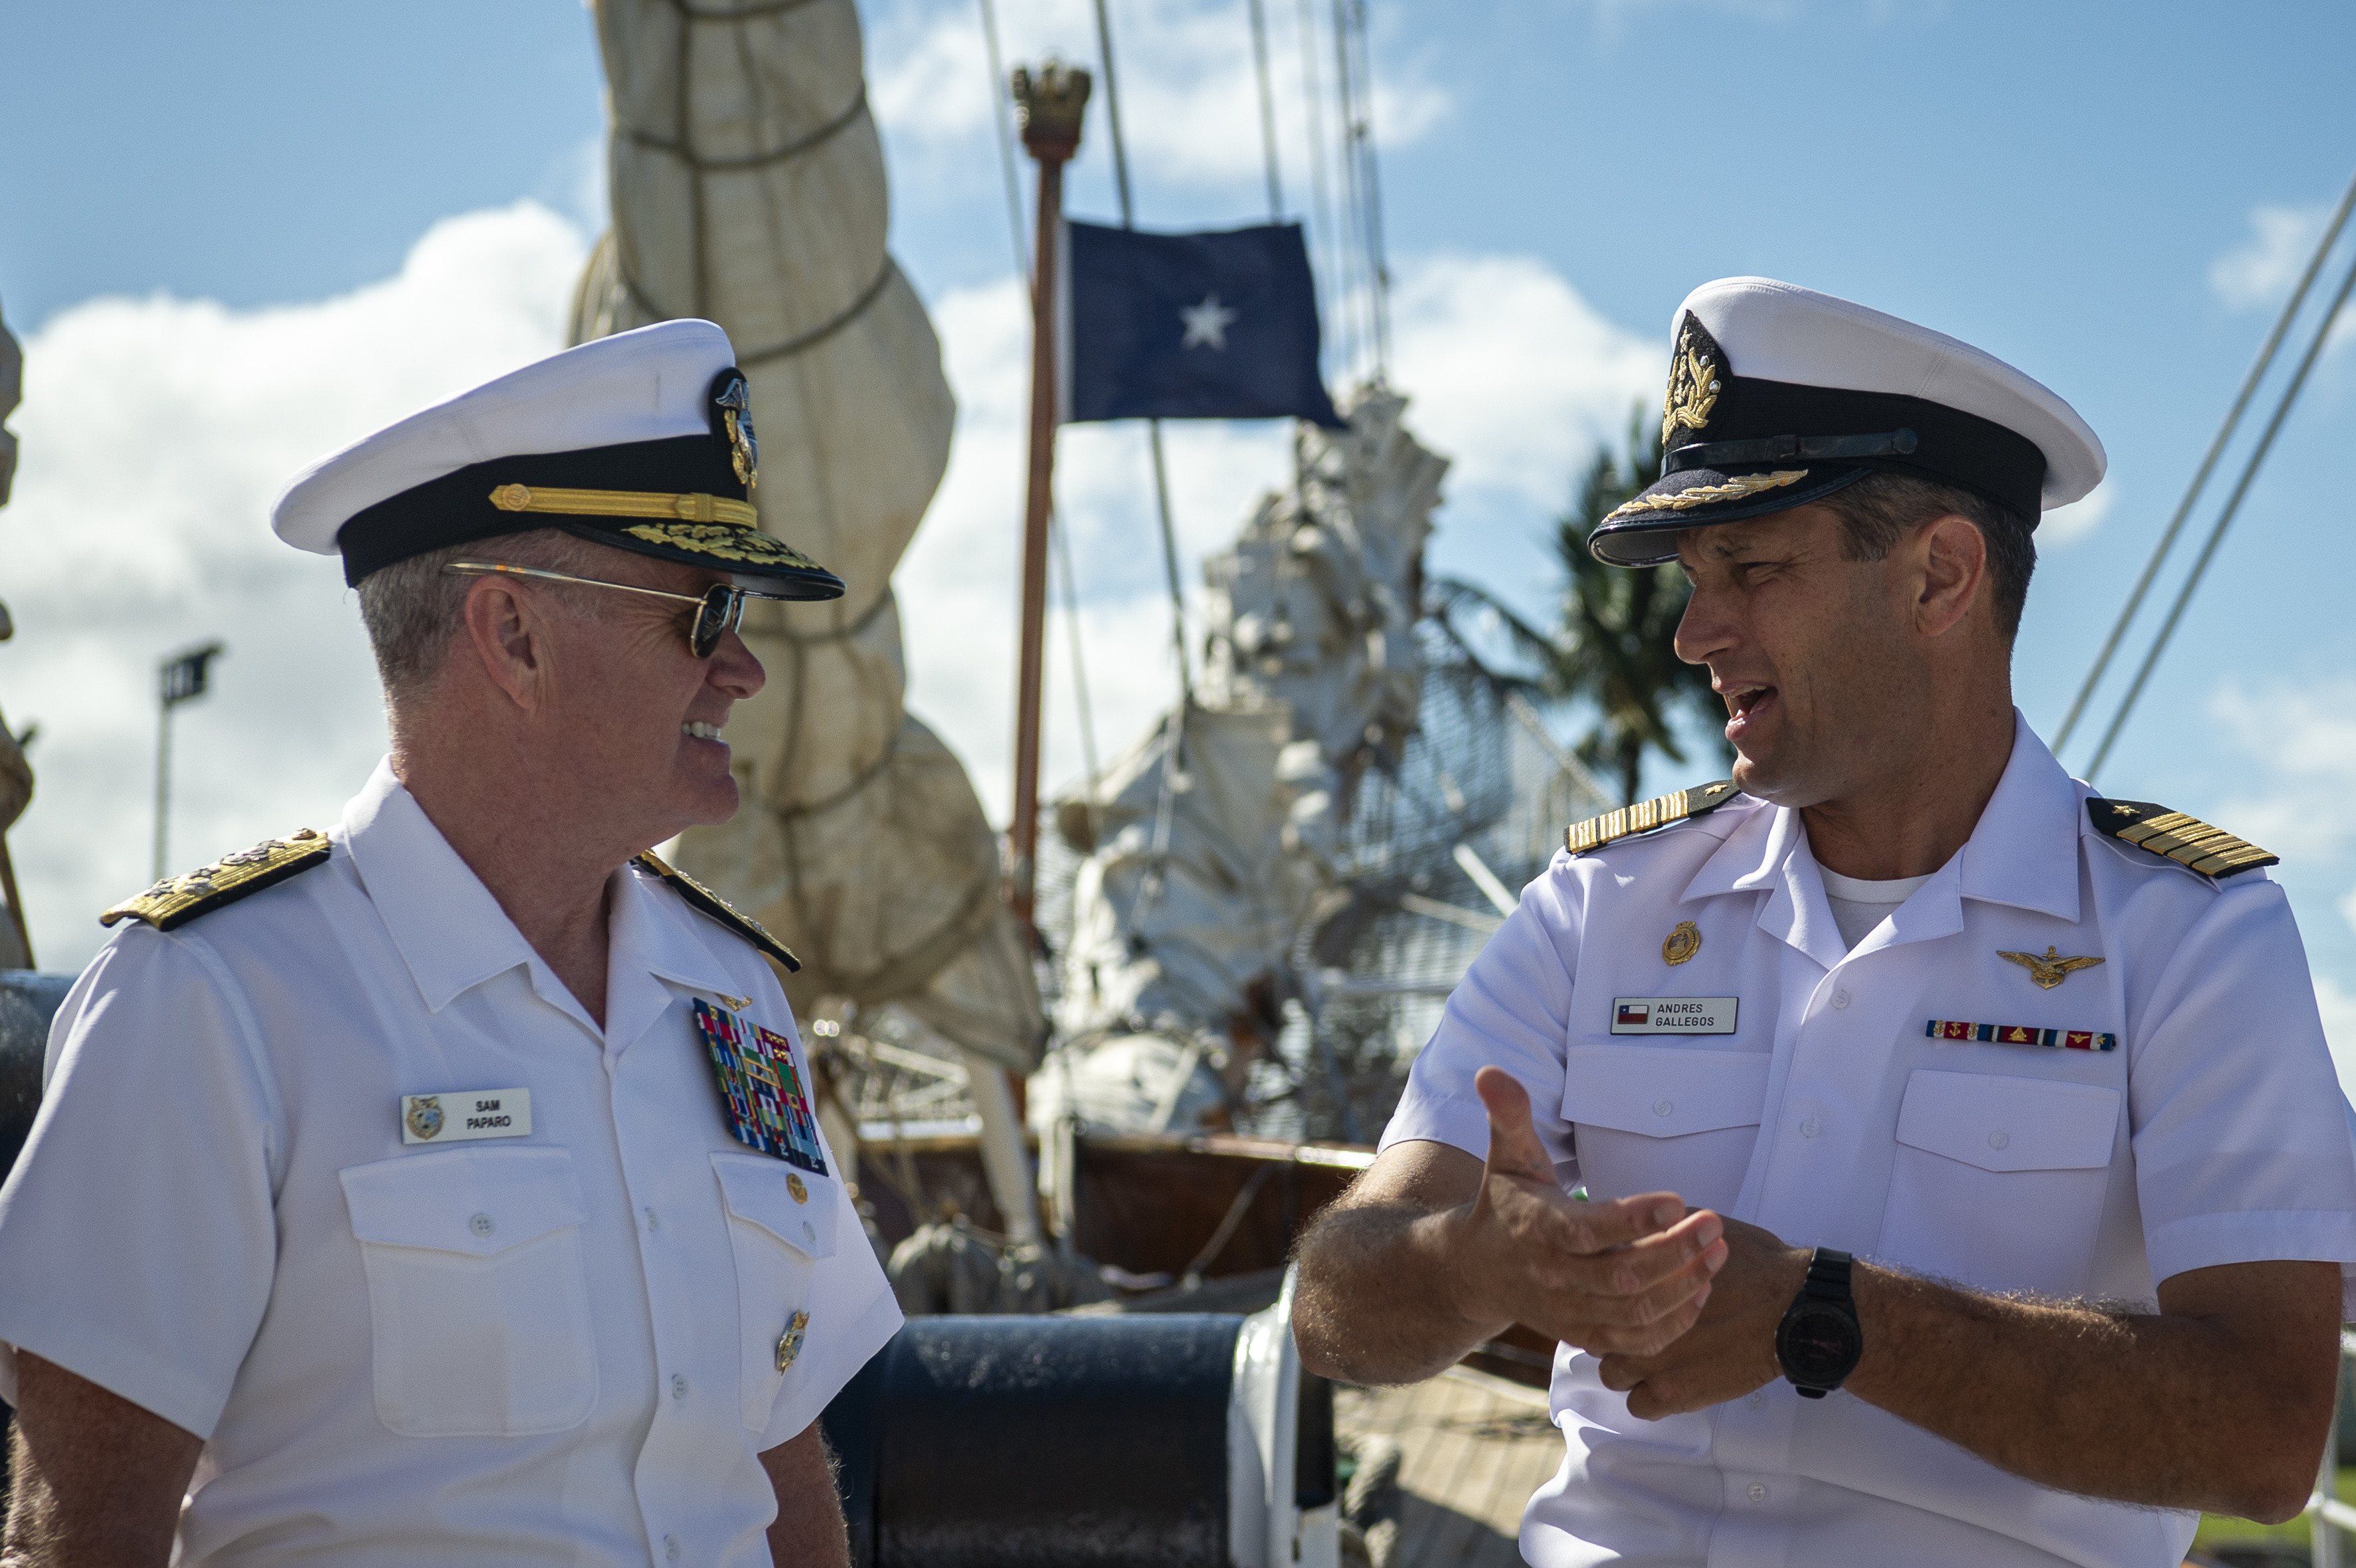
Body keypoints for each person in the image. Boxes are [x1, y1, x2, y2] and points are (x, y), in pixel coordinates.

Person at [1294, 277, 2356, 1567]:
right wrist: (1476, 1265)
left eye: (1751, 568)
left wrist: (1828, 1317)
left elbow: (2264, 1432)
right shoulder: (1600, 903)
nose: (1694, 634)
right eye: (1694, 579)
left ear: (1939, 577)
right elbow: (1333, 1305)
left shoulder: (2189, 938)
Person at [0, 319, 901, 1567]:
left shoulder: (732, 991)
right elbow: (84, 1534)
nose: (742, 668)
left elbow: (775, 1466)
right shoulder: (212, 1002)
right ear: (513, 635)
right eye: (705, 612)